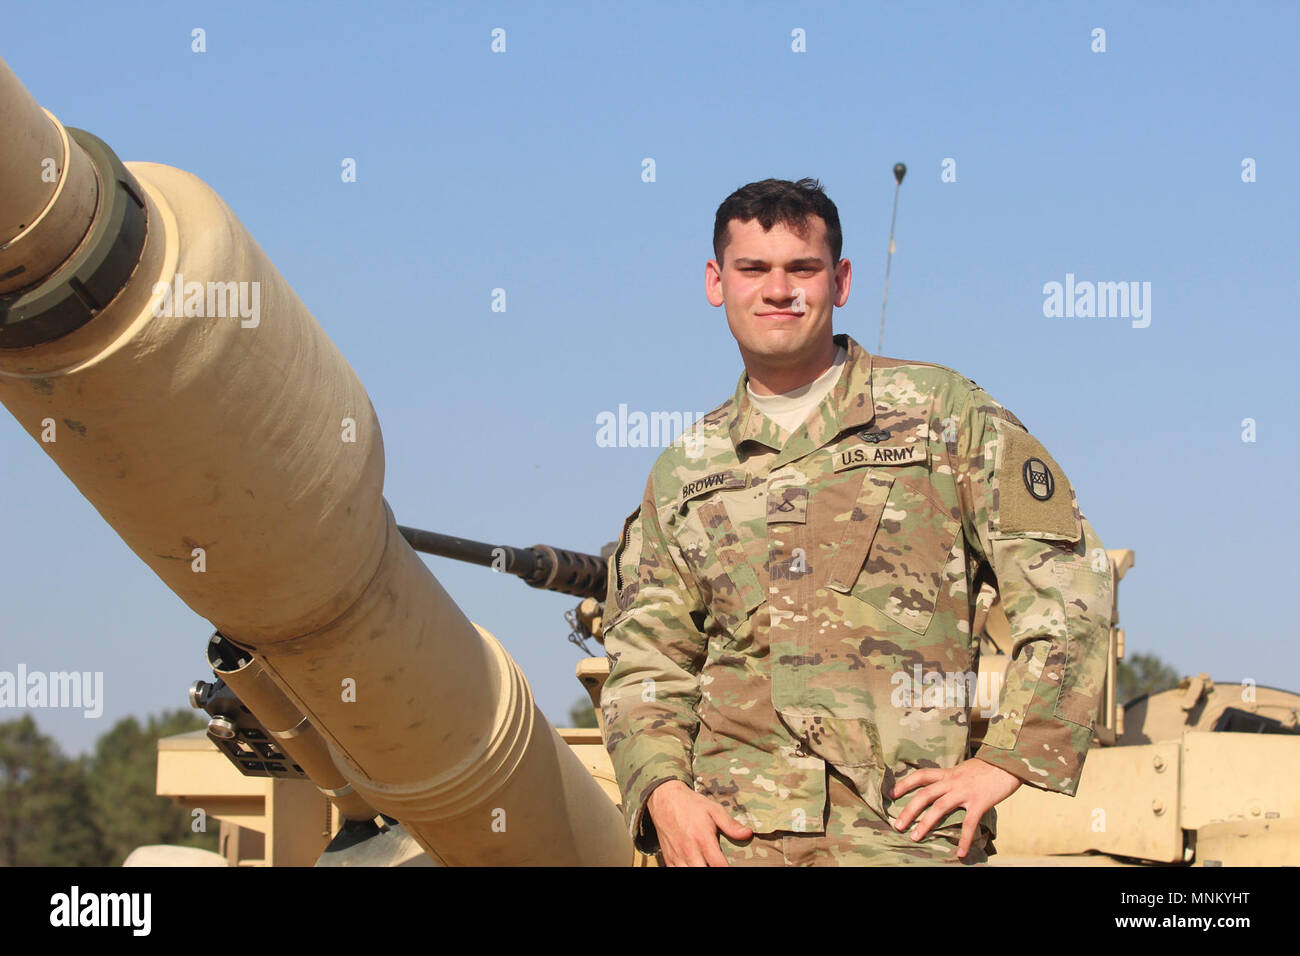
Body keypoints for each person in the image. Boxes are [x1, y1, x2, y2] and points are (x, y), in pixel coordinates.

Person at [600, 178, 1113, 867]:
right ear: (716, 283)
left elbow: (1069, 582)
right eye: (753, 269)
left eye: (801, 268)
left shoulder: (940, 415)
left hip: (898, 840)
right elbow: (646, 661)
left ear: (839, 281)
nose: (778, 290)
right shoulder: (686, 470)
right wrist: (663, 793)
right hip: (731, 846)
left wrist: (1008, 758)